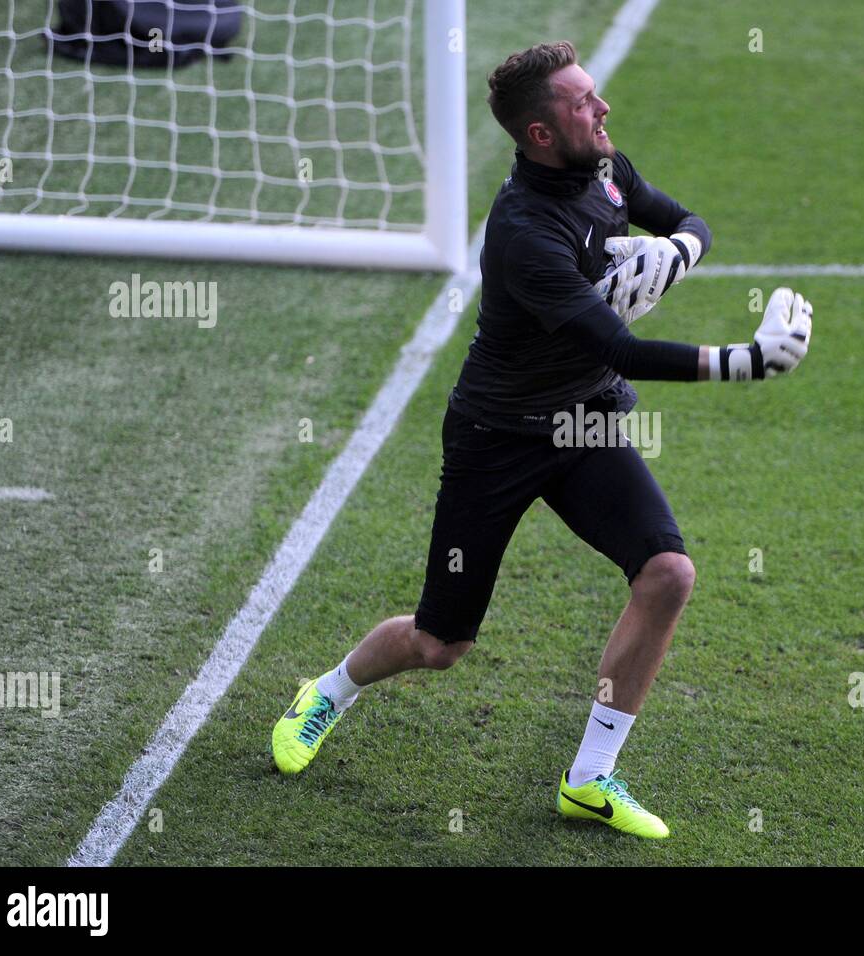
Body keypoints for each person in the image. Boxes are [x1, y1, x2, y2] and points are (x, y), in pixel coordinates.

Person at [271, 40, 812, 839]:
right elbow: (621, 349)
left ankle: (590, 779)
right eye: (583, 101)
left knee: (666, 573)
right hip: (498, 438)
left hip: (583, 420)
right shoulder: (524, 233)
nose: (602, 109)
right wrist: (747, 361)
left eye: (595, 94)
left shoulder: (606, 168)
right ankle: (326, 692)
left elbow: (690, 222)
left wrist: (668, 257)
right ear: (540, 134)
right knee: (439, 643)